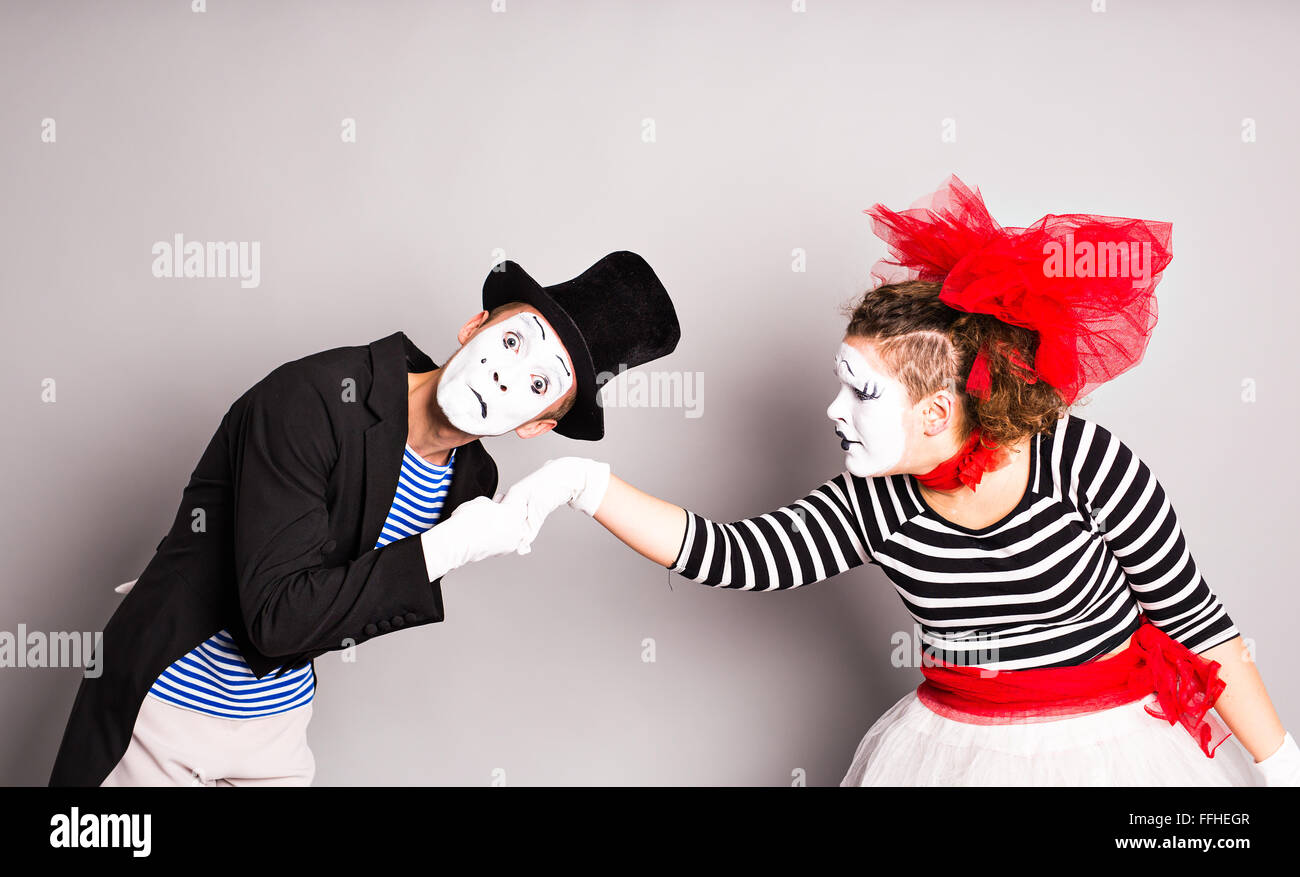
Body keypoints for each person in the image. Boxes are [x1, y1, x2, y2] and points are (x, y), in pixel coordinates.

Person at [503, 177, 1300, 786]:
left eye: (862, 389)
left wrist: (1284, 772)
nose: (833, 409)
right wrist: (585, 481)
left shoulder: (1087, 465)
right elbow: (738, 554)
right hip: (951, 747)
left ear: (938, 410)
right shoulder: (874, 497)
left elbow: (1200, 626)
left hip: (1104, 749)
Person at [48, 250, 681, 787]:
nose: (507, 376)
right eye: (513, 341)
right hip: (163, 710)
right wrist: (443, 550)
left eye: (541, 384)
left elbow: (340, 614)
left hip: (275, 728)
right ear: (474, 325)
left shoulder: (473, 483)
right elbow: (277, 618)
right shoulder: (313, 398)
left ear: (536, 426)